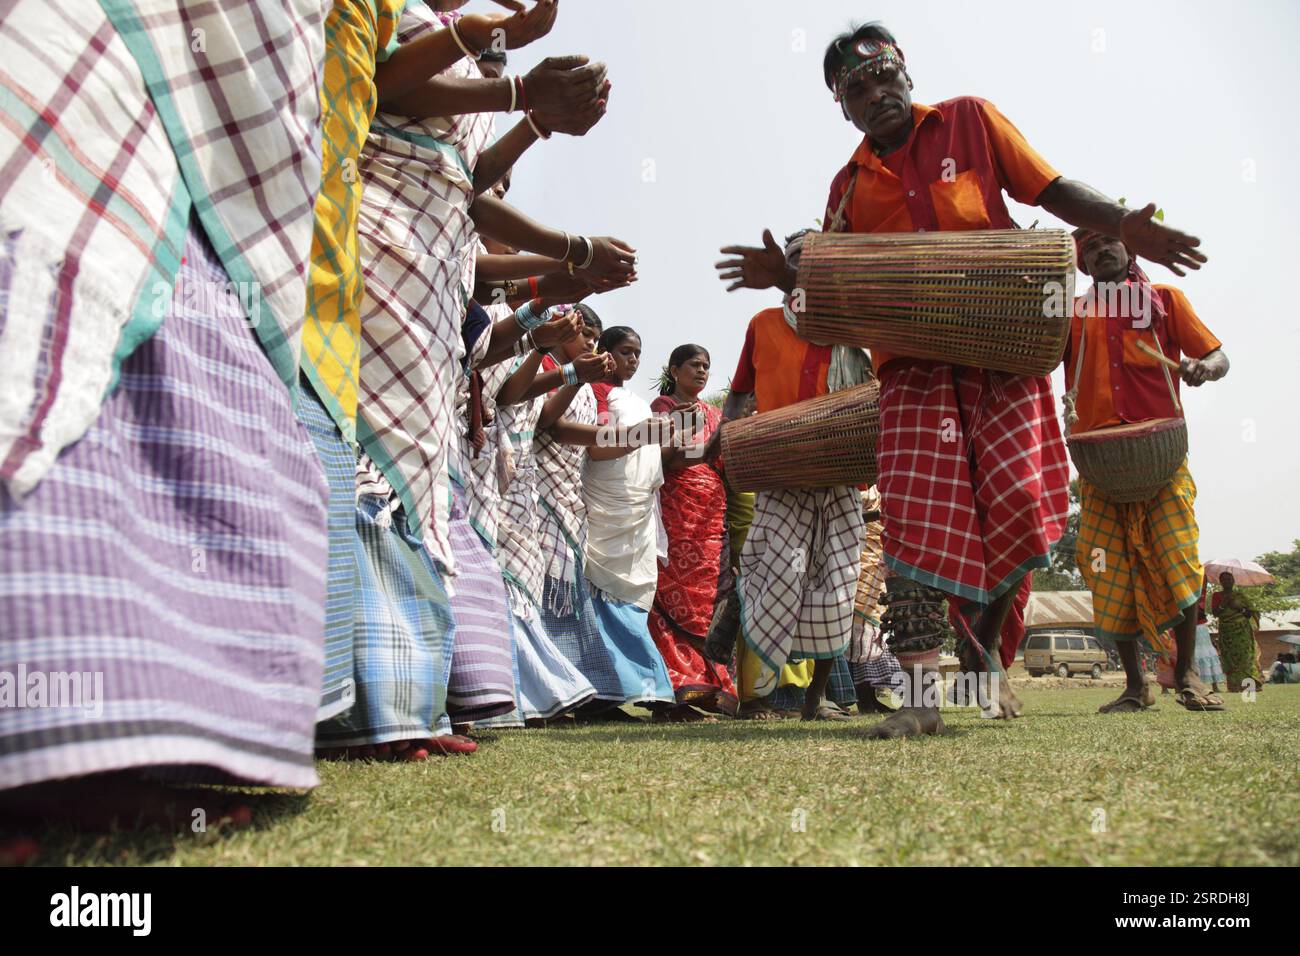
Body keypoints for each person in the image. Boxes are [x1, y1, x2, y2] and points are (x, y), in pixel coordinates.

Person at [717, 21, 1206, 738]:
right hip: (910, 373)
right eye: (857, 88)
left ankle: (984, 668)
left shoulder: (971, 121)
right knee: (915, 527)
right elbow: (835, 303)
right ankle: (920, 701)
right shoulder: (847, 188)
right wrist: (789, 276)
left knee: (1012, 501)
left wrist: (1120, 223)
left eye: (885, 75)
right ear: (842, 106)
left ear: (905, 72)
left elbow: (1053, 189)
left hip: (1003, 349)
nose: (876, 92)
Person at [0, 0, 329, 827]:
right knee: (70, 281)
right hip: (97, 44)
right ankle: (46, 756)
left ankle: (116, 738)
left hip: (217, 154)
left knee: (172, 366)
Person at [709, 230, 872, 722]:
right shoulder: (761, 323)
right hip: (780, 470)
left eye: (811, 259)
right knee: (771, 575)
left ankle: (812, 701)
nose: (800, 266)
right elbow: (739, 392)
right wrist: (731, 434)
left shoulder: (852, 324)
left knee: (836, 582)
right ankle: (754, 696)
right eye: (793, 258)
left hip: (840, 470)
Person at [1066, 228, 1229, 713]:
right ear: (1080, 263)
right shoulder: (1070, 313)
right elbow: (1033, 359)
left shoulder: (1164, 298)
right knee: (1106, 568)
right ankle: (1136, 686)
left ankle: (1186, 676)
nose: (1100, 251)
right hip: (1098, 461)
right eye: (1088, 248)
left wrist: (1205, 370)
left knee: (1178, 558)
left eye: (1107, 241)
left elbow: (1217, 355)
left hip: (1162, 454)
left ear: (1129, 248)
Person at [580, 326, 676, 711]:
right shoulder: (595, 393)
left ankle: (633, 687)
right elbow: (596, 448)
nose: (632, 360)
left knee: (636, 595)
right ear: (604, 352)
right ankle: (612, 690)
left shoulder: (635, 399)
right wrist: (641, 435)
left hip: (638, 511)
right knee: (605, 592)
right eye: (625, 352)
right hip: (607, 509)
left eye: (637, 353)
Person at [645, 346, 740, 720]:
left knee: (716, 598)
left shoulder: (715, 414)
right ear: (674, 369)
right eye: (694, 365)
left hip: (712, 517)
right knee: (670, 600)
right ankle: (677, 691)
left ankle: (713, 688)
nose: (702, 371)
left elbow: (725, 465)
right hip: (675, 513)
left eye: (706, 366)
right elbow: (663, 457)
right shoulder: (663, 409)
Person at [1212, 572, 1264, 693]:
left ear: (1233, 581)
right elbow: (1215, 613)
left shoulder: (1240, 596)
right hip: (1227, 632)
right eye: (1224, 579)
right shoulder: (1217, 596)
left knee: (1246, 657)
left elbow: (1250, 613)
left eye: (1229, 579)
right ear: (1220, 582)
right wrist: (1224, 603)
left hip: (1242, 631)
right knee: (1230, 657)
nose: (1227, 581)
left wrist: (1239, 607)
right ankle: (1235, 686)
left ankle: (1251, 685)